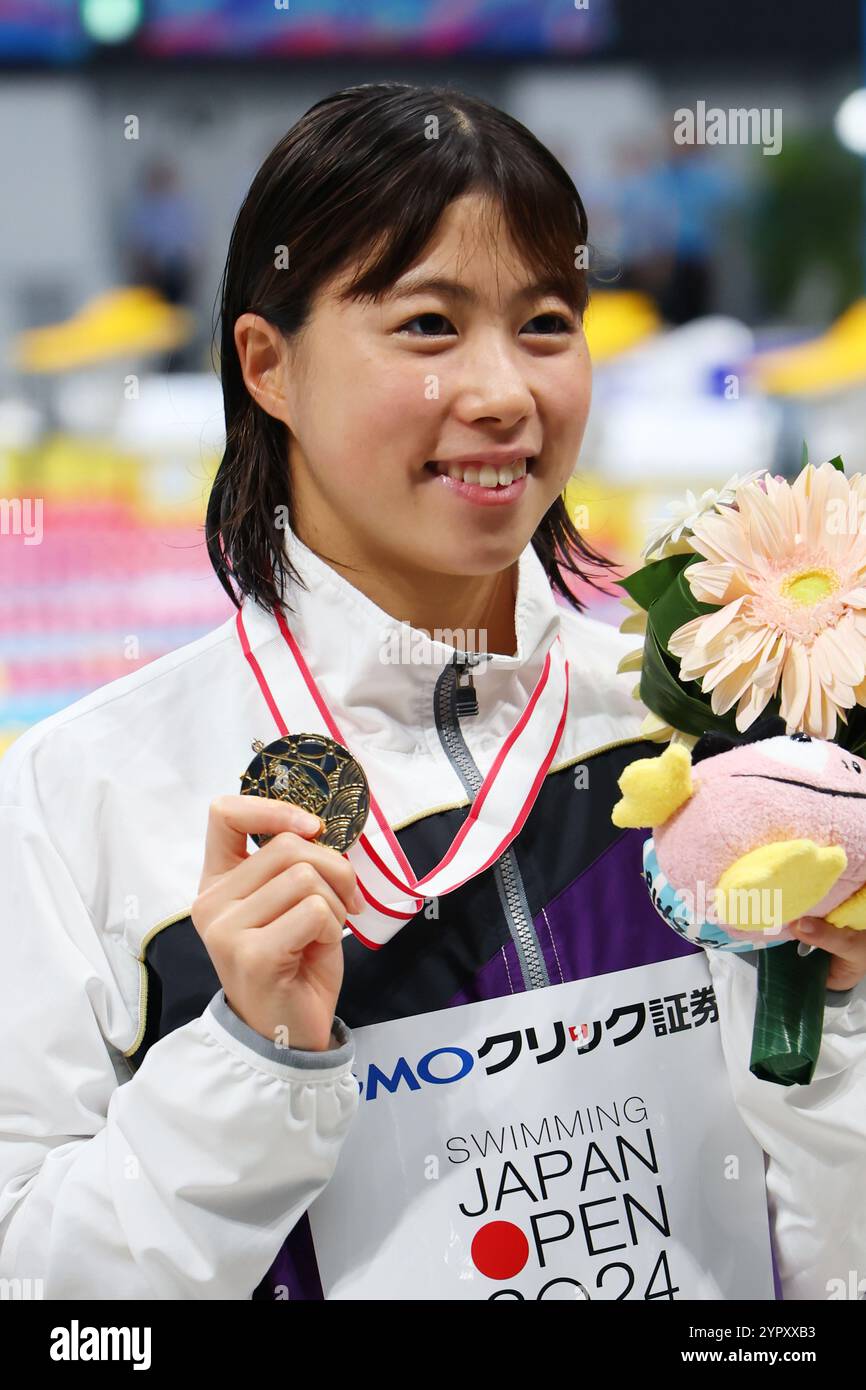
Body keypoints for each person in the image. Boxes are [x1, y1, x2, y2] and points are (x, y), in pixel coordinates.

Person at [1, 83, 864, 1303]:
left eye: (545, 324)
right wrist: (246, 1066)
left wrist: (831, 1032)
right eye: (425, 325)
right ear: (269, 365)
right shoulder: (81, 793)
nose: (504, 391)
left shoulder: (705, 740)